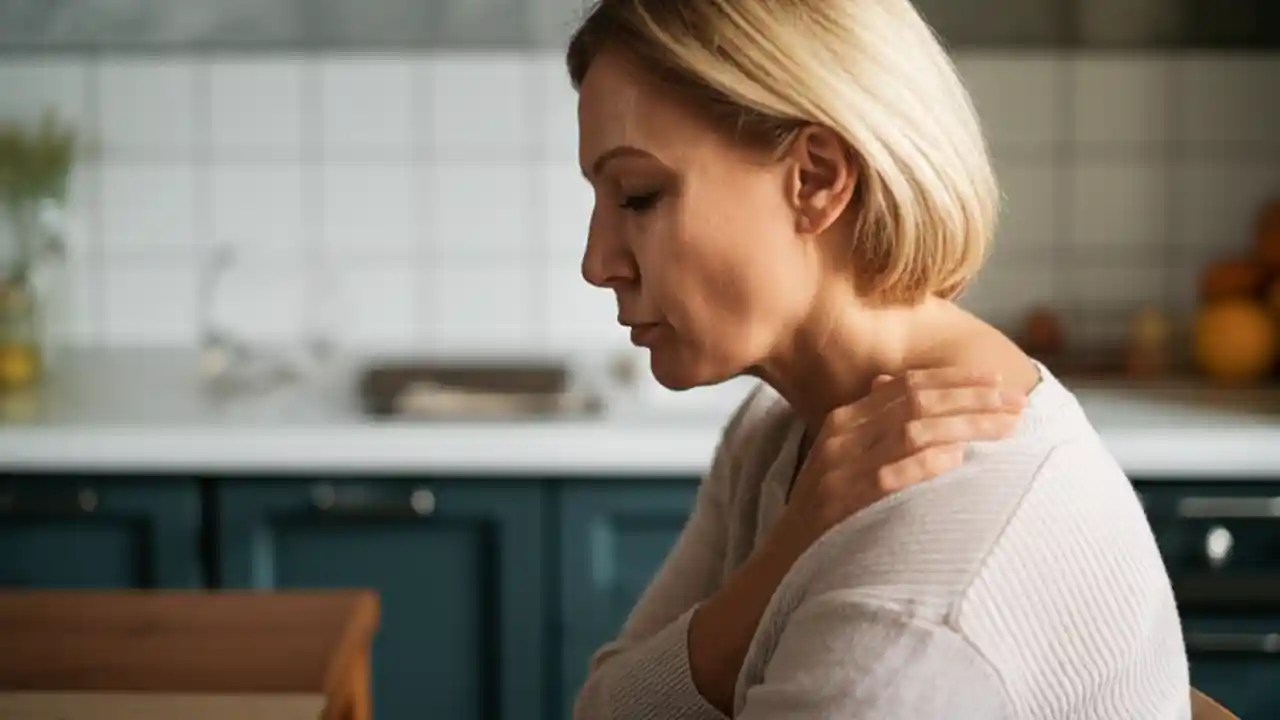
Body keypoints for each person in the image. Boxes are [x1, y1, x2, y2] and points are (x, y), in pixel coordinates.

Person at [566, 1, 1190, 718]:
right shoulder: (780, 427)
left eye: (639, 196)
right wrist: (786, 554)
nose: (597, 261)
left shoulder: (909, 636)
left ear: (816, 180)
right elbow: (602, 707)